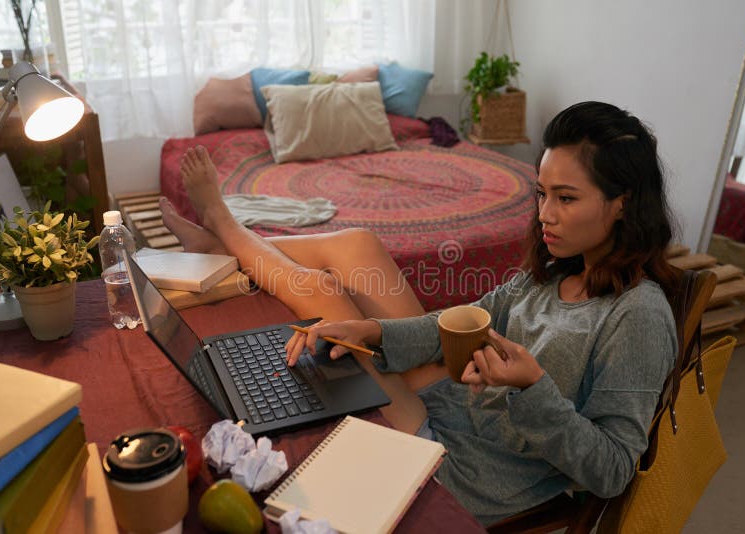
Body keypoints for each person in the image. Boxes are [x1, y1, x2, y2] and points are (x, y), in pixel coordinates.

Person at [161, 101, 679, 524]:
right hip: (459, 405)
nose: (545, 215)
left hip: (465, 465)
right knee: (359, 248)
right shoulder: (557, 271)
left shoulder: (637, 316)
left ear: (622, 205)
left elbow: (613, 470)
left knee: (321, 295)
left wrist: (531, 389)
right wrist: (374, 331)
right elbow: (456, 323)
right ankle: (219, 240)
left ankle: (223, 229)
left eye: (566, 198)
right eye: (542, 194)